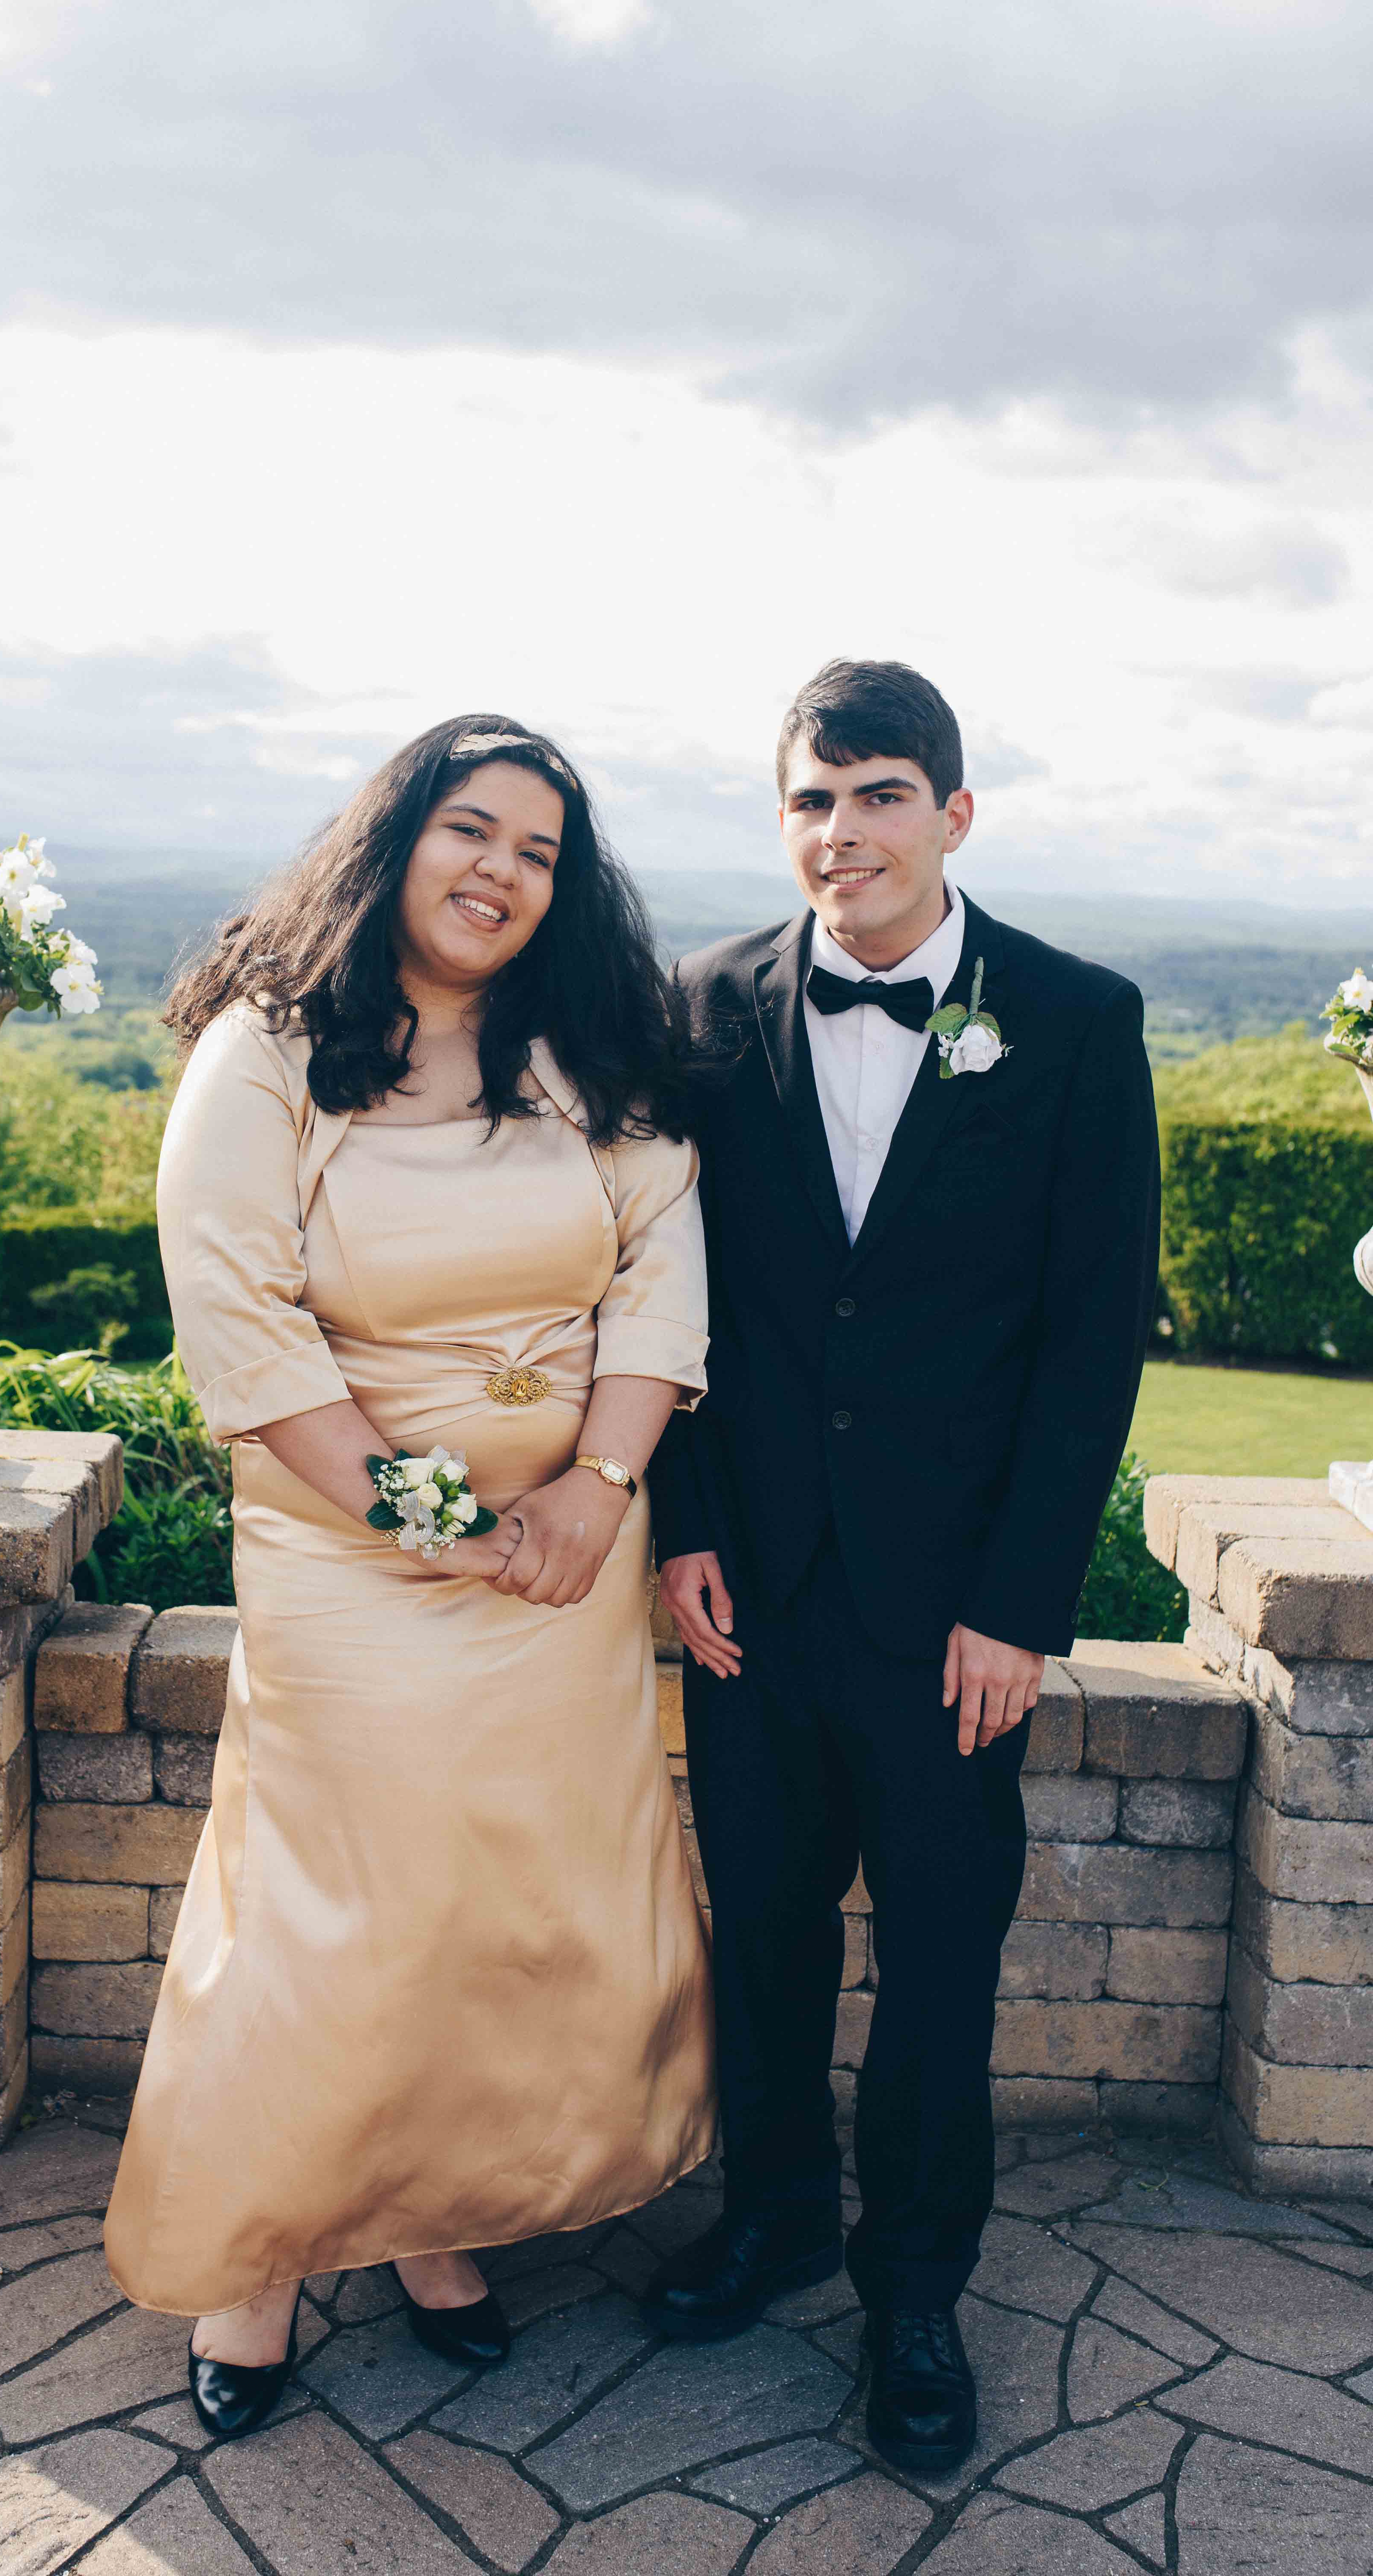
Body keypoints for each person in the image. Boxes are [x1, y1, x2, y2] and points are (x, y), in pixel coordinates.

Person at [104, 713, 716, 2443]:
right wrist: (407, 1501)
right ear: (392, 844)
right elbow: (238, 1312)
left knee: (491, 1906)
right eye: (470, 829)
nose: (499, 873)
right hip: (347, 1560)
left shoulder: (592, 1052)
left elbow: (660, 1276)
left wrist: (599, 1489)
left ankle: (436, 2224)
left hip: (559, 1571)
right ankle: (259, 2255)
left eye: (536, 851)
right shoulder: (265, 1054)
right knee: (326, 1909)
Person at [644, 659, 1160, 2477]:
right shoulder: (700, 1007)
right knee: (761, 1938)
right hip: (752, 1595)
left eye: (874, 793)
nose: (837, 831)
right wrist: (682, 1525)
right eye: (807, 797)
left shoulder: (1075, 1021)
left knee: (937, 1964)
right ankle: (774, 2216)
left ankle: (913, 2287)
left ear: (951, 811)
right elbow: (664, 1297)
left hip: (954, 1615)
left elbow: (1090, 1336)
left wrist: (1022, 1602)